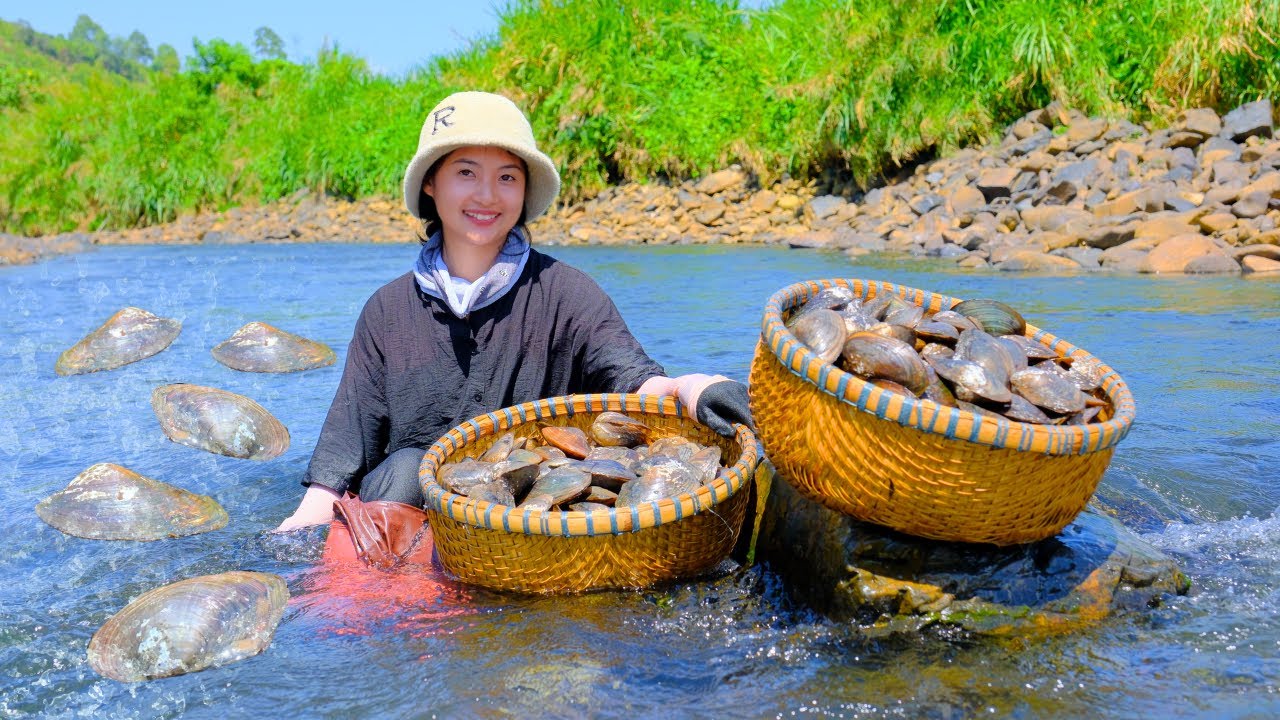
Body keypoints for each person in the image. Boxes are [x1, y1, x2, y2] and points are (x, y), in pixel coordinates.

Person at [276, 91, 752, 539]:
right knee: (406, 471)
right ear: (430, 184)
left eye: (507, 177)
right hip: (409, 523)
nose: (487, 195)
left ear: (525, 191)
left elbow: (630, 376)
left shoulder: (566, 293)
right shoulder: (387, 311)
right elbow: (347, 445)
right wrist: (302, 528)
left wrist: (689, 388)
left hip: (526, 530)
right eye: (465, 173)